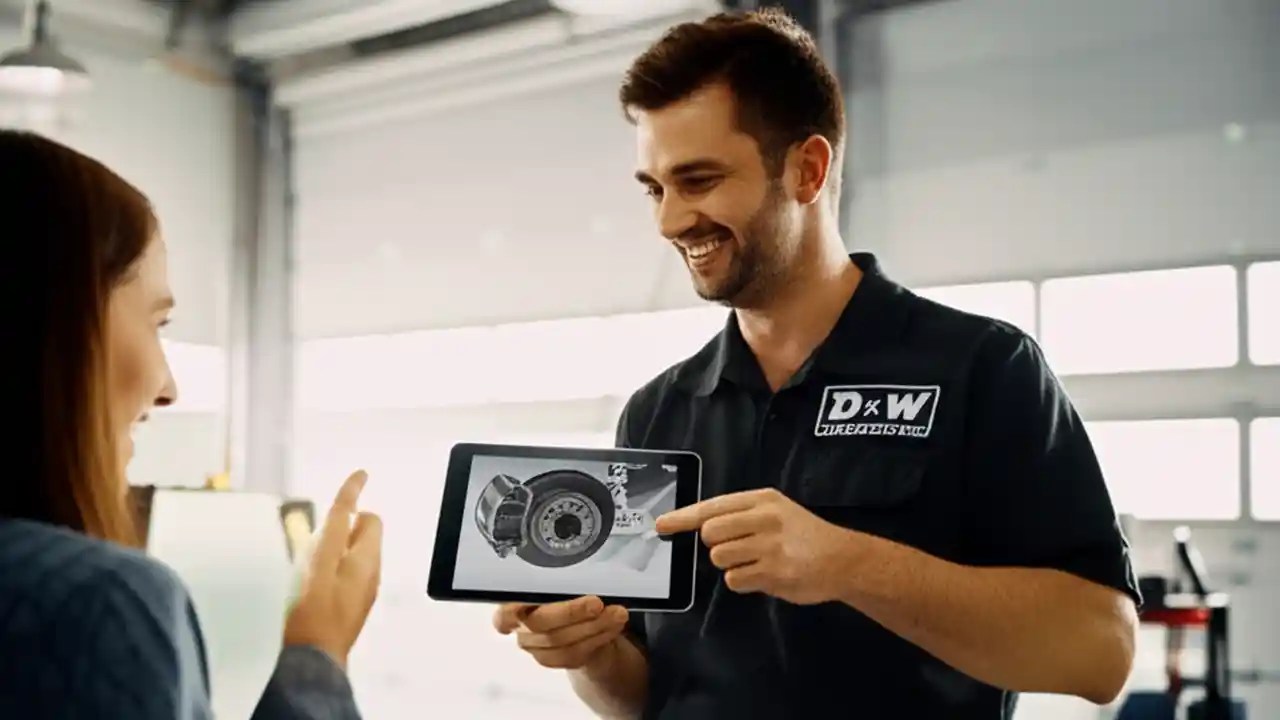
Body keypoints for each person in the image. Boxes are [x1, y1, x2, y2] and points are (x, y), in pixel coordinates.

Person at [493, 9, 1141, 719]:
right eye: (655, 188)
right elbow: (645, 698)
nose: (670, 221)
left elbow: (1099, 652)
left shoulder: (981, 369)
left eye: (699, 180)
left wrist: (846, 564)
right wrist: (589, 654)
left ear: (807, 168)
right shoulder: (658, 411)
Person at [0, 128, 383, 719]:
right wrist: (318, 656)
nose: (168, 387)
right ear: (48, 329)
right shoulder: (98, 603)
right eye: (156, 323)